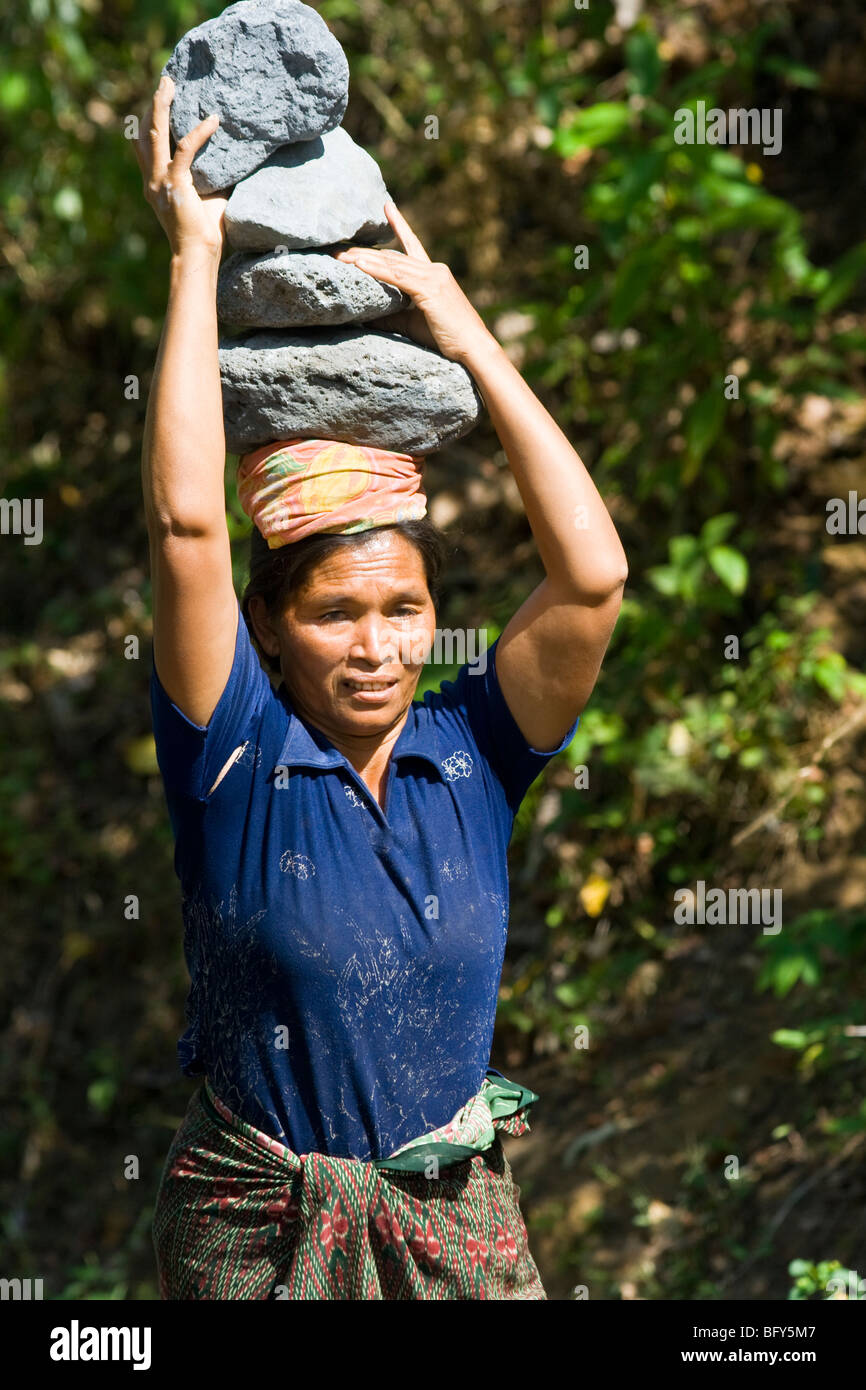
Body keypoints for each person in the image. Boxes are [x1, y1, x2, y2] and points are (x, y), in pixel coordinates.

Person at [135, 74, 628, 1301]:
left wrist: (467, 337)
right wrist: (197, 260)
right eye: (335, 614)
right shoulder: (235, 755)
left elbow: (593, 577)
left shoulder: (473, 753)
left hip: (454, 1231)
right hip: (255, 1239)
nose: (374, 646)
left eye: (402, 610)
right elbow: (191, 528)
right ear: (271, 628)